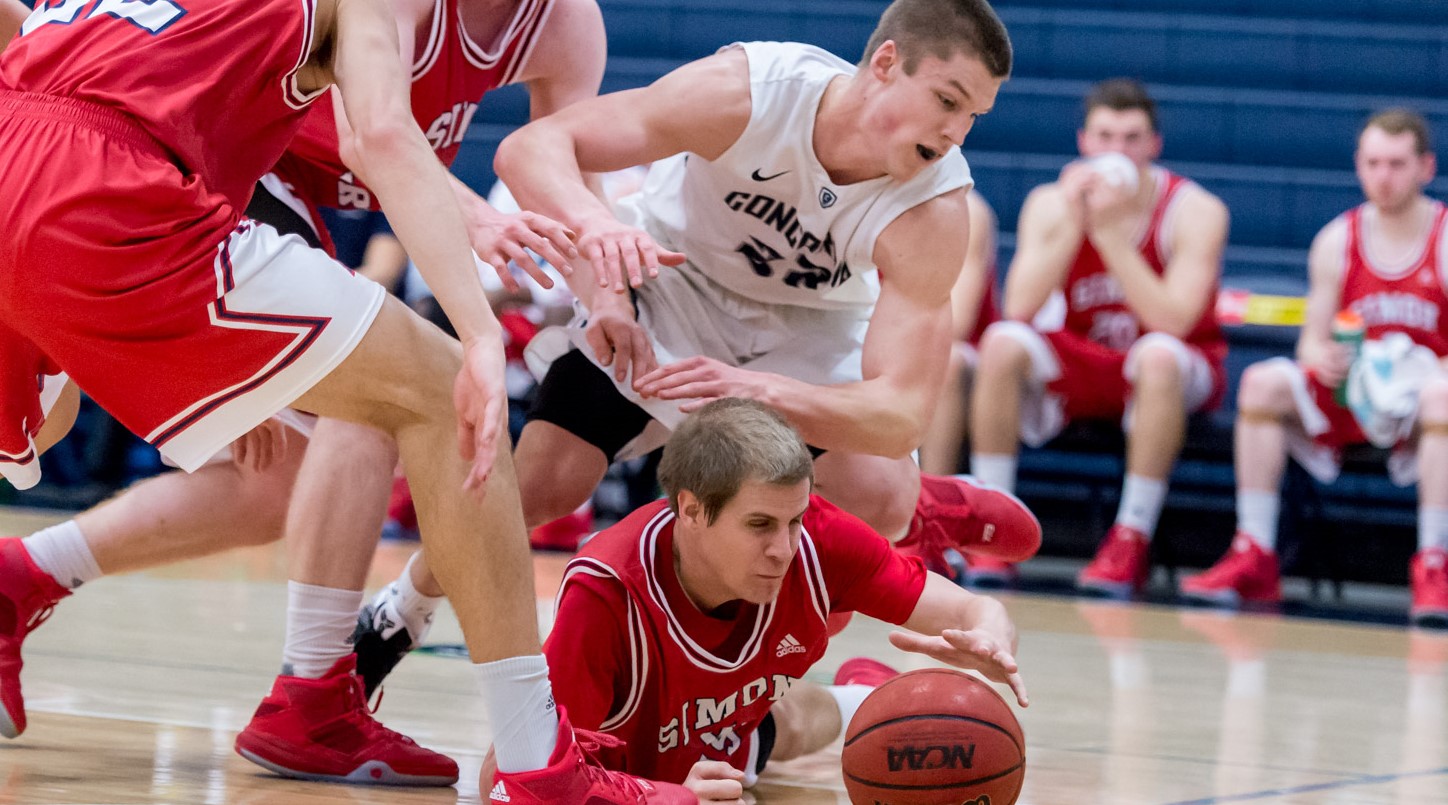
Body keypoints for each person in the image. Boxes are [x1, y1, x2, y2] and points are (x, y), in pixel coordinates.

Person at [0, 0, 689, 801]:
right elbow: (382, 137)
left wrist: (605, 295)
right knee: (431, 388)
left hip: (42, 147)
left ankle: (25, 574)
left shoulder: (565, 26)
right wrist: (473, 331)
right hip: (172, 177)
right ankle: (517, 752)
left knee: (230, 469)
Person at [353, 0, 1043, 698]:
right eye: (947, 101)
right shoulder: (749, 93)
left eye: (973, 117)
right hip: (674, 286)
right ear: (888, 65)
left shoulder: (934, 209)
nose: (955, 133)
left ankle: (754, 671)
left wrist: (757, 393)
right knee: (539, 483)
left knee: (879, 502)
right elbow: (531, 149)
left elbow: (900, 414)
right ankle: (396, 613)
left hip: (807, 332)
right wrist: (600, 245)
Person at [529, 398, 1027, 801]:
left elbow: (971, 609)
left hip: (715, 741)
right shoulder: (606, 592)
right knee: (779, 727)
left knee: (790, 726)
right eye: (760, 525)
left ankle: (868, 699)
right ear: (692, 510)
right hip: (617, 772)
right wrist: (657, 796)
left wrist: (990, 634)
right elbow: (517, 780)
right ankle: (863, 697)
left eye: (796, 520)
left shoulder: (820, 539)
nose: (785, 549)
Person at [1179, 109, 1448, 627]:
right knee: (1261, 384)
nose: (1383, 176)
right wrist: (1319, 356)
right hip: (1352, 391)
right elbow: (1311, 342)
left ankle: (1434, 561)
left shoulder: (1441, 236)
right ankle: (1254, 550)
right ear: (1358, 165)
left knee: (1442, 395)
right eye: (1373, 163)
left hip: (1423, 398)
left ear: (1425, 168)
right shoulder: (1337, 239)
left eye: (1396, 163)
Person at [968, 78, 1230, 595]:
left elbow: (1173, 321)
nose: (1118, 151)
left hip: (1176, 365)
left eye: (1132, 138)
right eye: (1105, 137)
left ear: (1154, 146)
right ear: (1084, 142)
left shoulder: (1196, 210)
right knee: (1001, 342)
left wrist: (1109, 236)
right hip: (1087, 357)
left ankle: (1130, 535)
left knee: (1158, 354)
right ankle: (991, 527)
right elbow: (1019, 305)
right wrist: (1074, 223)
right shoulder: (1052, 202)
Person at [919, 188, 1000, 479]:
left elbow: (958, 322)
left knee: (946, 362)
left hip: (950, 349)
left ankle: (930, 499)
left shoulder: (965, 209)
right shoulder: (856, 197)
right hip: (874, 339)